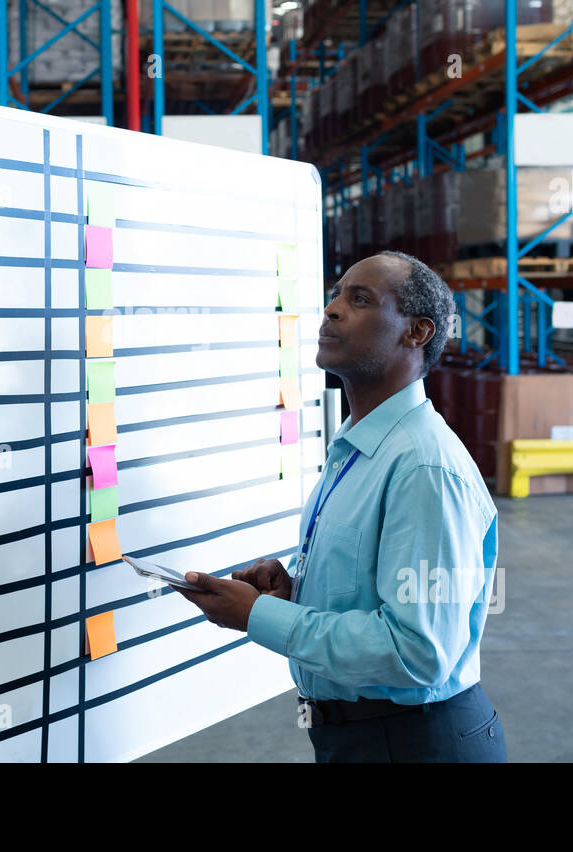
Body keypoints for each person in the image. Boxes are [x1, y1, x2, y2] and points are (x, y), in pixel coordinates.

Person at [174, 250, 505, 762]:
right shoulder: (359, 445)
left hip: (413, 743)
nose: (332, 310)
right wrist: (294, 596)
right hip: (358, 737)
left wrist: (260, 616)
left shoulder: (423, 467)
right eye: (335, 295)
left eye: (360, 300)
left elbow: (417, 651)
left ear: (416, 333)